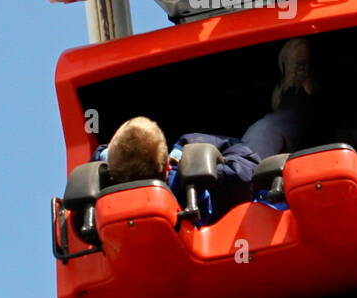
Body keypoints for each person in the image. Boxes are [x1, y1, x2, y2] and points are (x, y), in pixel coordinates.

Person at [93, 39, 318, 222]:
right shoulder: (210, 180)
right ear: (167, 167)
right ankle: (294, 98)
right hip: (236, 218)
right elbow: (247, 170)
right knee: (267, 129)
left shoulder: (108, 213)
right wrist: (193, 157)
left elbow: (101, 154)